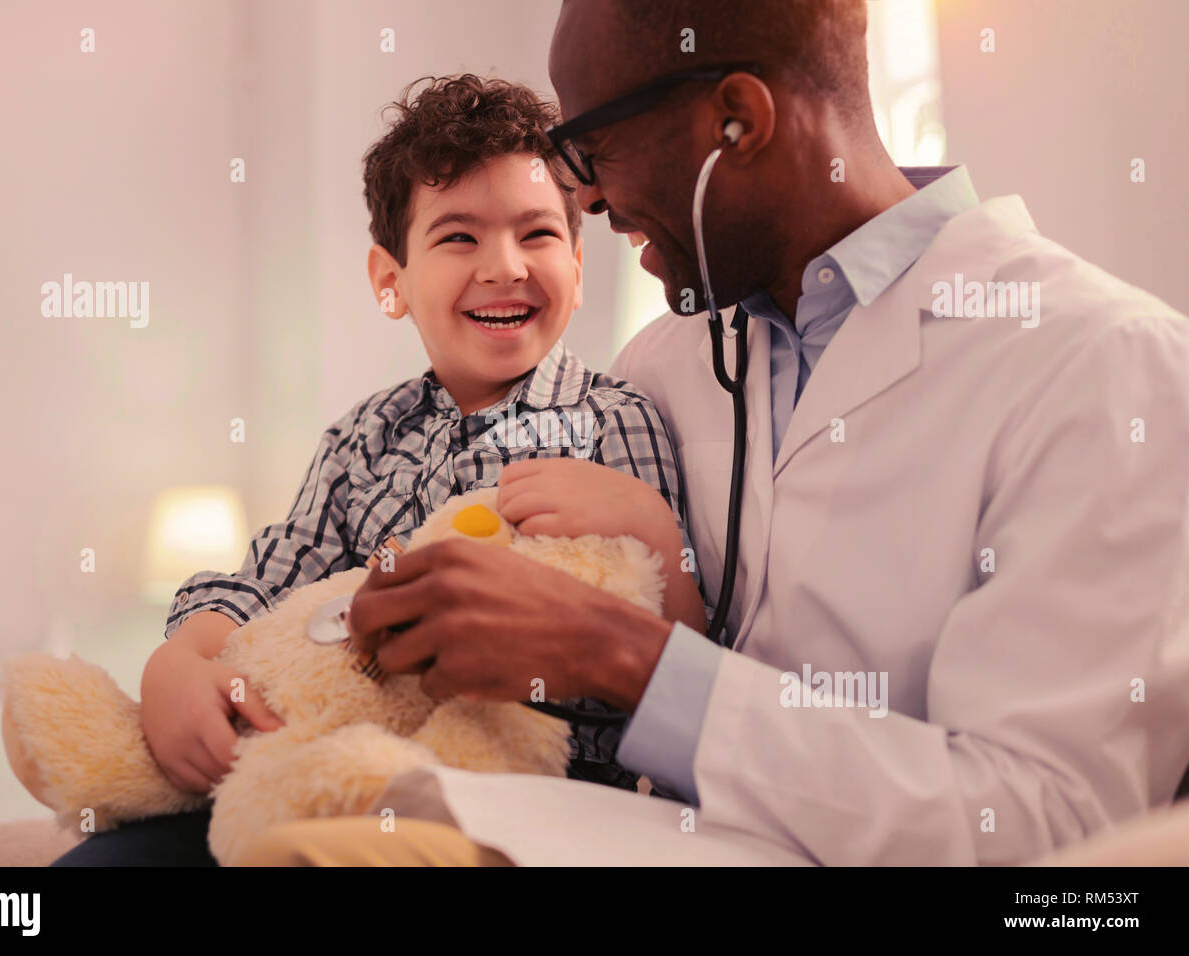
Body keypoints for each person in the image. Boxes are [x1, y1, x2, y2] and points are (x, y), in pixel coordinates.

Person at [236, 0, 1189, 866]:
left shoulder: (1105, 365)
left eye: (590, 150)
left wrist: (630, 660)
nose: (591, 202)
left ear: (737, 121)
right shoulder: (664, 363)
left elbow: (1055, 830)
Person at [50, 73, 706, 866]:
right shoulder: (364, 436)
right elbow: (269, 580)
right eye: (458, 237)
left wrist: (653, 529)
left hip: (529, 799)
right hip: (329, 768)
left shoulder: (616, 422)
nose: (504, 265)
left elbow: (681, 678)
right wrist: (180, 659)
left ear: (574, 261)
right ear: (390, 282)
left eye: (535, 235)